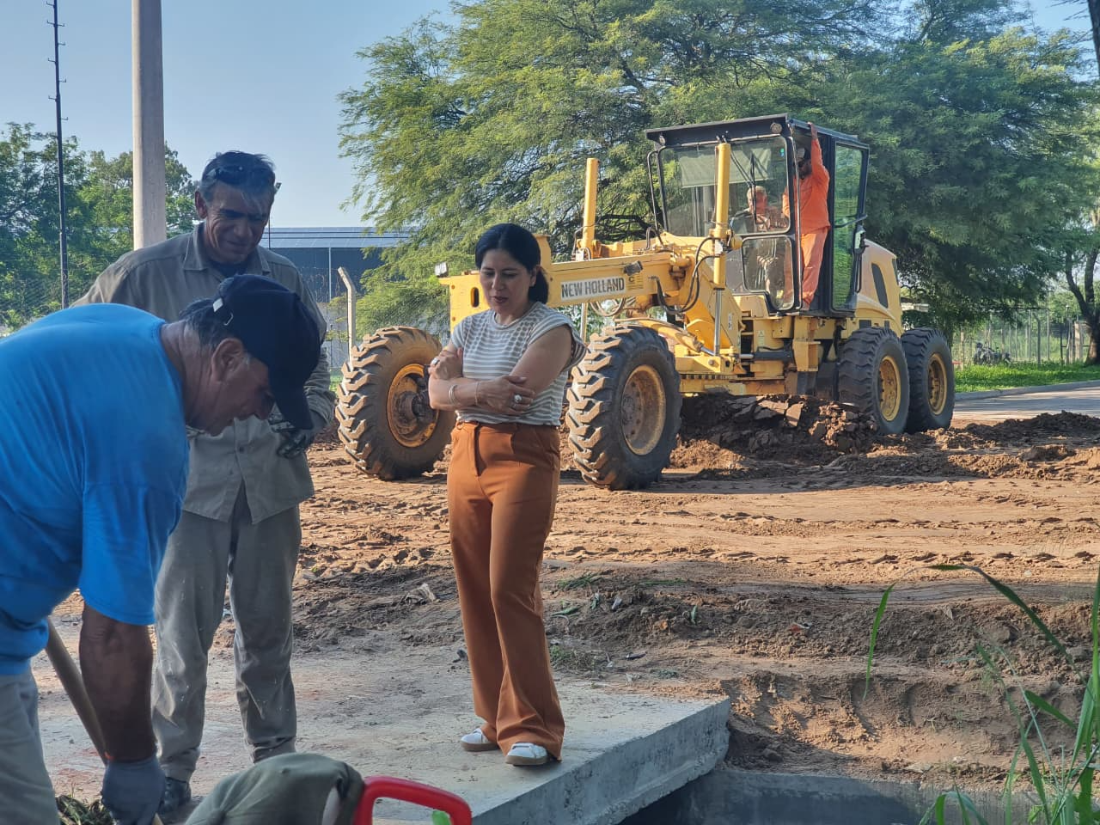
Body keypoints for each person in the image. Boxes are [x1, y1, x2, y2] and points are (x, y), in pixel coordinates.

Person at [0, 275, 321, 825]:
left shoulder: (128, 327)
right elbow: (111, 638)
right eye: (264, 395)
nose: (255, 414)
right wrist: (132, 762)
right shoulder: (147, 444)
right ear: (227, 356)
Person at [76, 151, 335, 816]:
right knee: (180, 637)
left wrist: (310, 416)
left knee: (269, 635)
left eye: (258, 219)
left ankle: (276, 761)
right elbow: (85, 342)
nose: (244, 231)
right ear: (200, 205)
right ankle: (171, 769)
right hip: (184, 491)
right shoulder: (142, 274)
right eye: (231, 215)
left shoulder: (283, 279)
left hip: (271, 487)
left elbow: (313, 370)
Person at [428, 223, 585, 767]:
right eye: (488, 273)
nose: (496, 285)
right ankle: (494, 718)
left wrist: (457, 388)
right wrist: (473, 390)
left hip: (523, 455)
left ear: (533, 275)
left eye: (510, 275)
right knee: (474, 588)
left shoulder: (553, 328)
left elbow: (516, 397)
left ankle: (535, 726)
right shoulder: (469, 326)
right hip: (465, 455)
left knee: (508, 588)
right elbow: (435, 393)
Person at [783, 122, 831, 306]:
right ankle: (789, 298)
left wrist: (814, 140)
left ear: (809, 162)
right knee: (791, 266)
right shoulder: (794, 182)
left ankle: (805, 299)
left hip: (815, 228)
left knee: (811, 264)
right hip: (796, 230)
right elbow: (786, 204)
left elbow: (818, 164)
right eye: (797, 163)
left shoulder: (820, 179)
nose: (799, 167)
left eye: (802, 163)